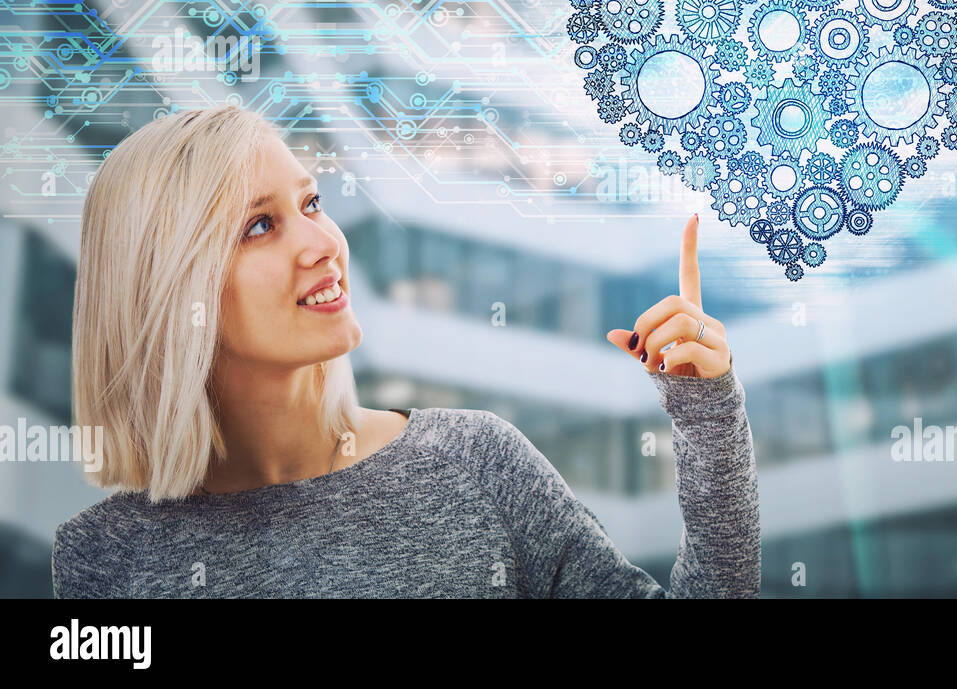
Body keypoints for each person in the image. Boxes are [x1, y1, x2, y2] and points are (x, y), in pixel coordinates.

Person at [50, 104, 760, 597]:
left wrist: (709, 414)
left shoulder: (477, 460)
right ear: (171, 289)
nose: (323, 244)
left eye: (311, 204)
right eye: (259, 226)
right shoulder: (104, 556)